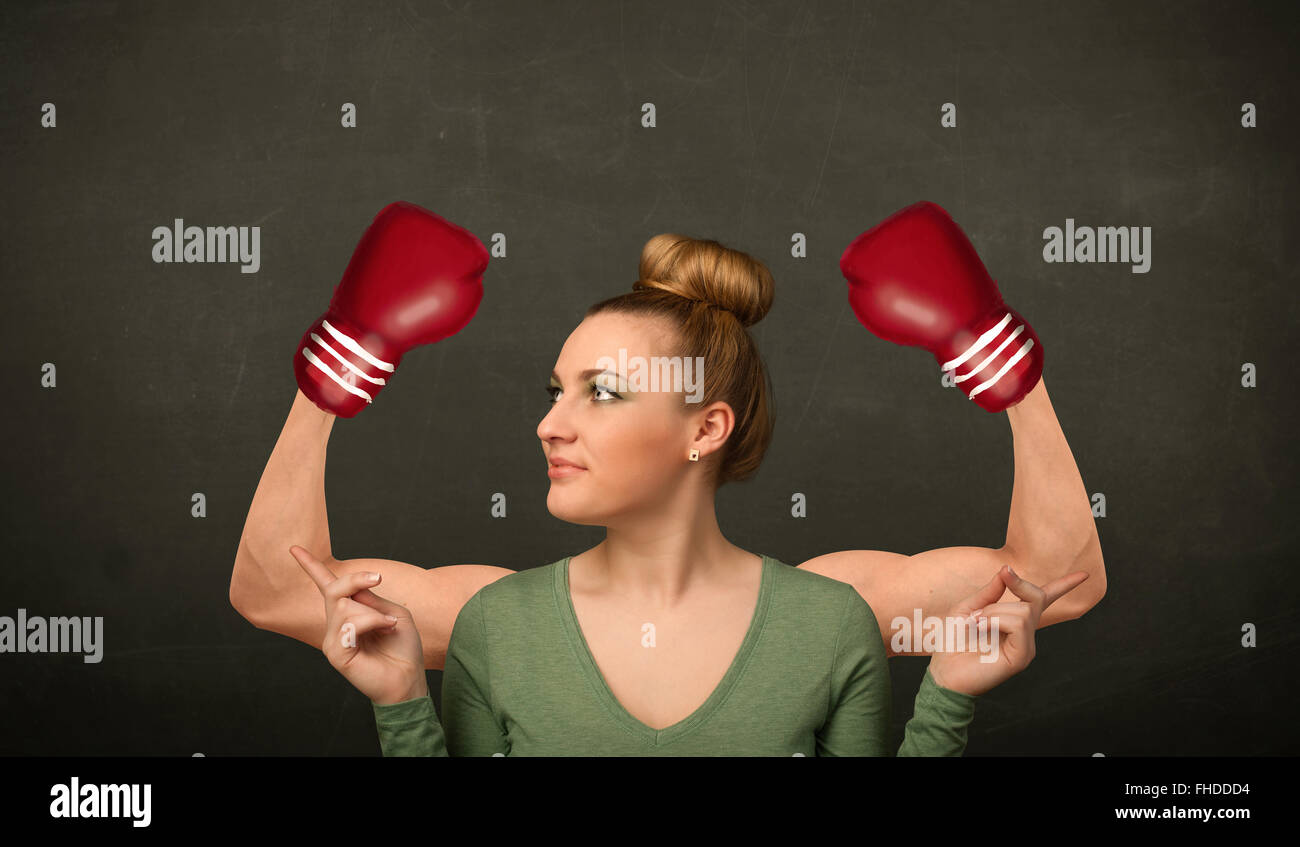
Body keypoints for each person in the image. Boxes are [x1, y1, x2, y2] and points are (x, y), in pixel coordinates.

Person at [231, 204, 1104, 756]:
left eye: (601, 393)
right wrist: (333, 376)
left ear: (706, 427)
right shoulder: (494, 621)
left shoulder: (834, 610)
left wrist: (1004, 367)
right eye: (555, 392)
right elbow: (275, 589)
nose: (549, 423)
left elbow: (1058, 575)